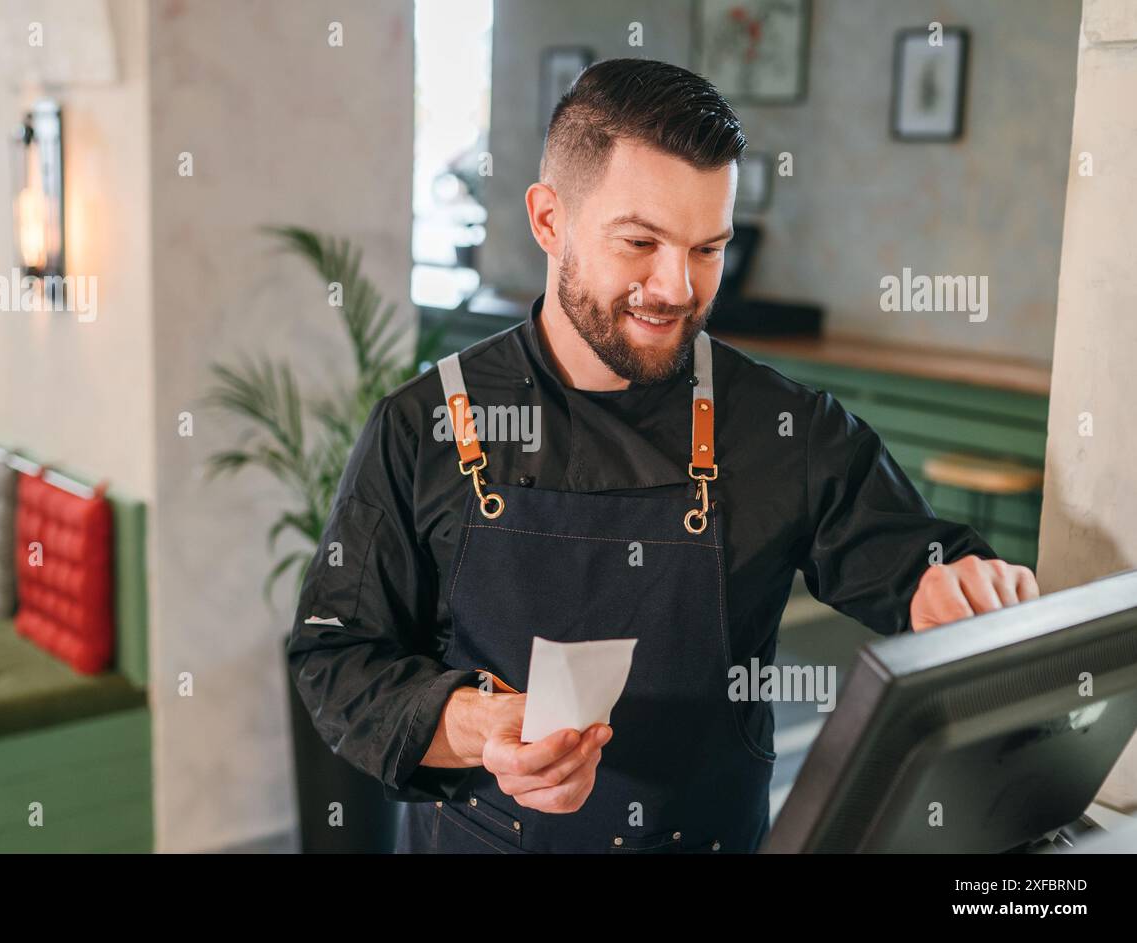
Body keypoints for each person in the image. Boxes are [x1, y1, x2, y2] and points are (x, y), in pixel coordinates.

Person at [288, 58, 1039, 854]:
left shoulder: (783, 426)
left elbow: (913, 562)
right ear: (549, 220)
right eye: (640, 242)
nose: (676, 286)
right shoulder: (426, 424)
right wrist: (477, 726)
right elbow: (336, 658)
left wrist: (951, 584)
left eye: (708, 248)